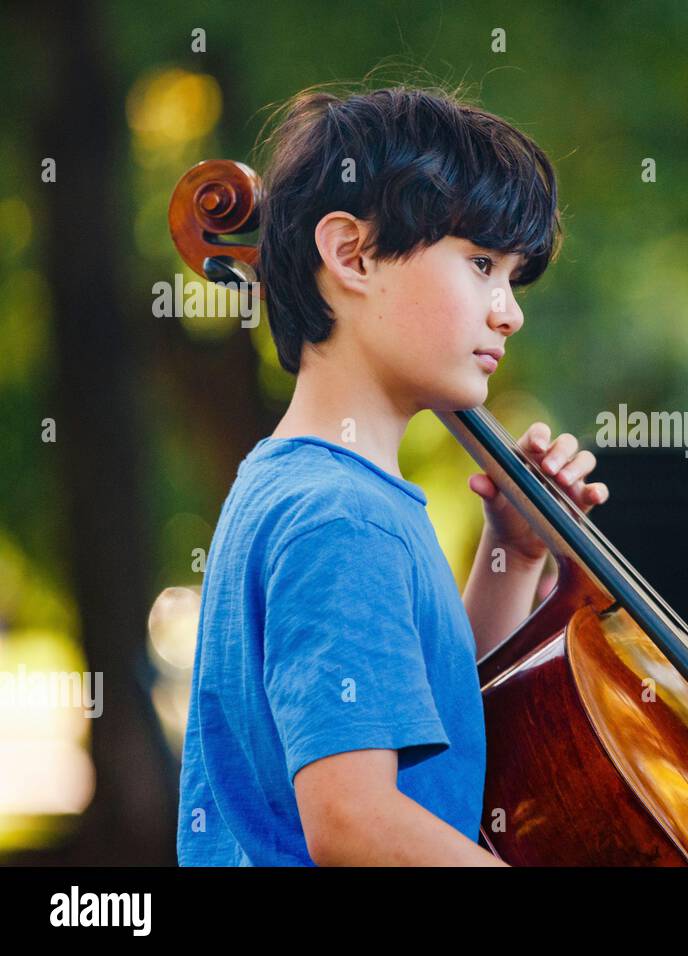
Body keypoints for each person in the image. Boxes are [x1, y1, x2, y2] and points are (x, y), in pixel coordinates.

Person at [176, 84, 605, 865]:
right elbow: (354, 822)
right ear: (352, 254)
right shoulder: (341, 518)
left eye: (512, 277)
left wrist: (513, 552)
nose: (509, 312)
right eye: (481, 263)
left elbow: (426, 718)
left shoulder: (311, 488)